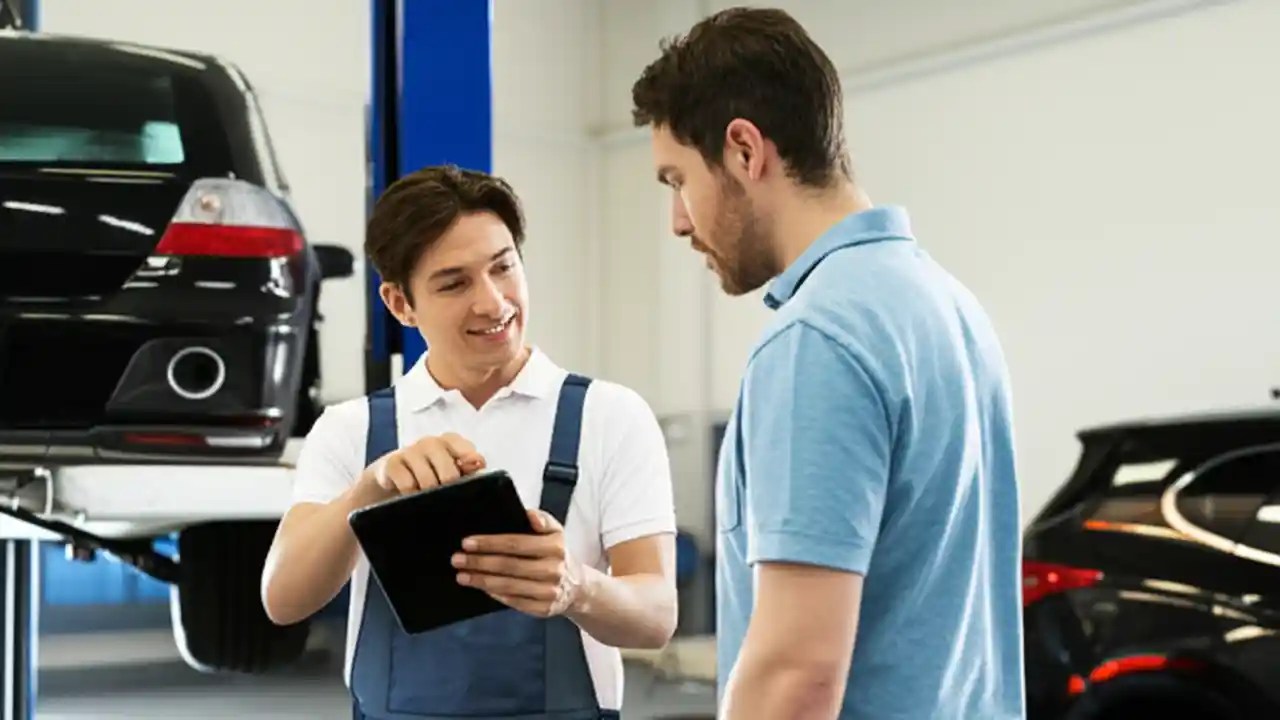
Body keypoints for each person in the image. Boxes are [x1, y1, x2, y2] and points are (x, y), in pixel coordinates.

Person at [631, 7, 1025, 720]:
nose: (678, 221)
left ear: (744, 150)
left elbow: (797, 674)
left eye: (676, 181)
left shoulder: (817, 340)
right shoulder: (950, 306)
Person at [260, 165, 679, 720]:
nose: (493, 302)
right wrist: (369, 492)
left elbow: (657, 615)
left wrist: (577, 588)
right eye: (454, 283)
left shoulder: (610, 417)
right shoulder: (351, 430)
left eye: (503, 268)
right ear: (400, 304)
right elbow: (283, 600)